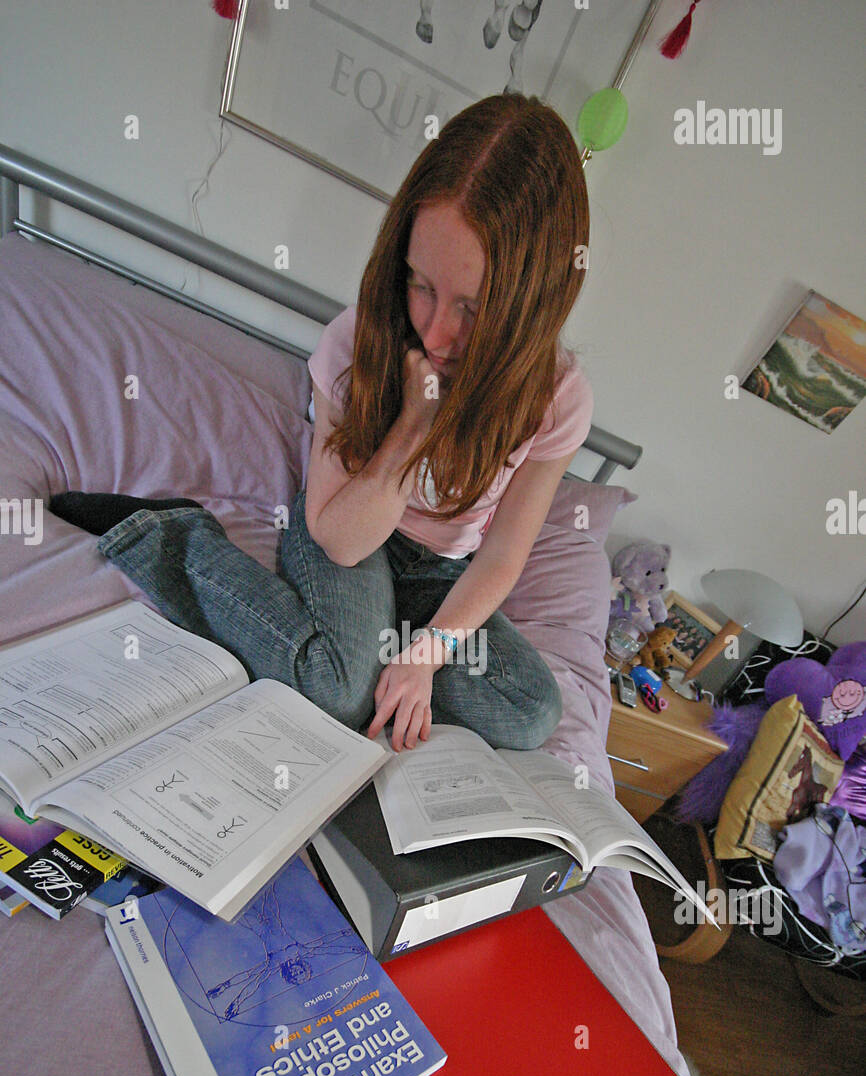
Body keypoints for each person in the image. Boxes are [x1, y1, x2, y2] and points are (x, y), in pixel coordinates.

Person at [50, 92, 593, 753]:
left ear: (530, 304)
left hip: (442, 576)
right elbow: (339, 540)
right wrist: (415, 426)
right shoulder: (357, 339)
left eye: (472, 309)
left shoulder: (558, 397)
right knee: (339, 691)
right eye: (421, 284)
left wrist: (424, 655)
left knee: (531, 712)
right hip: (351, 524)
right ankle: (176, 537)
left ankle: (373, 643)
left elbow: (504, 554)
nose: (435, 330)